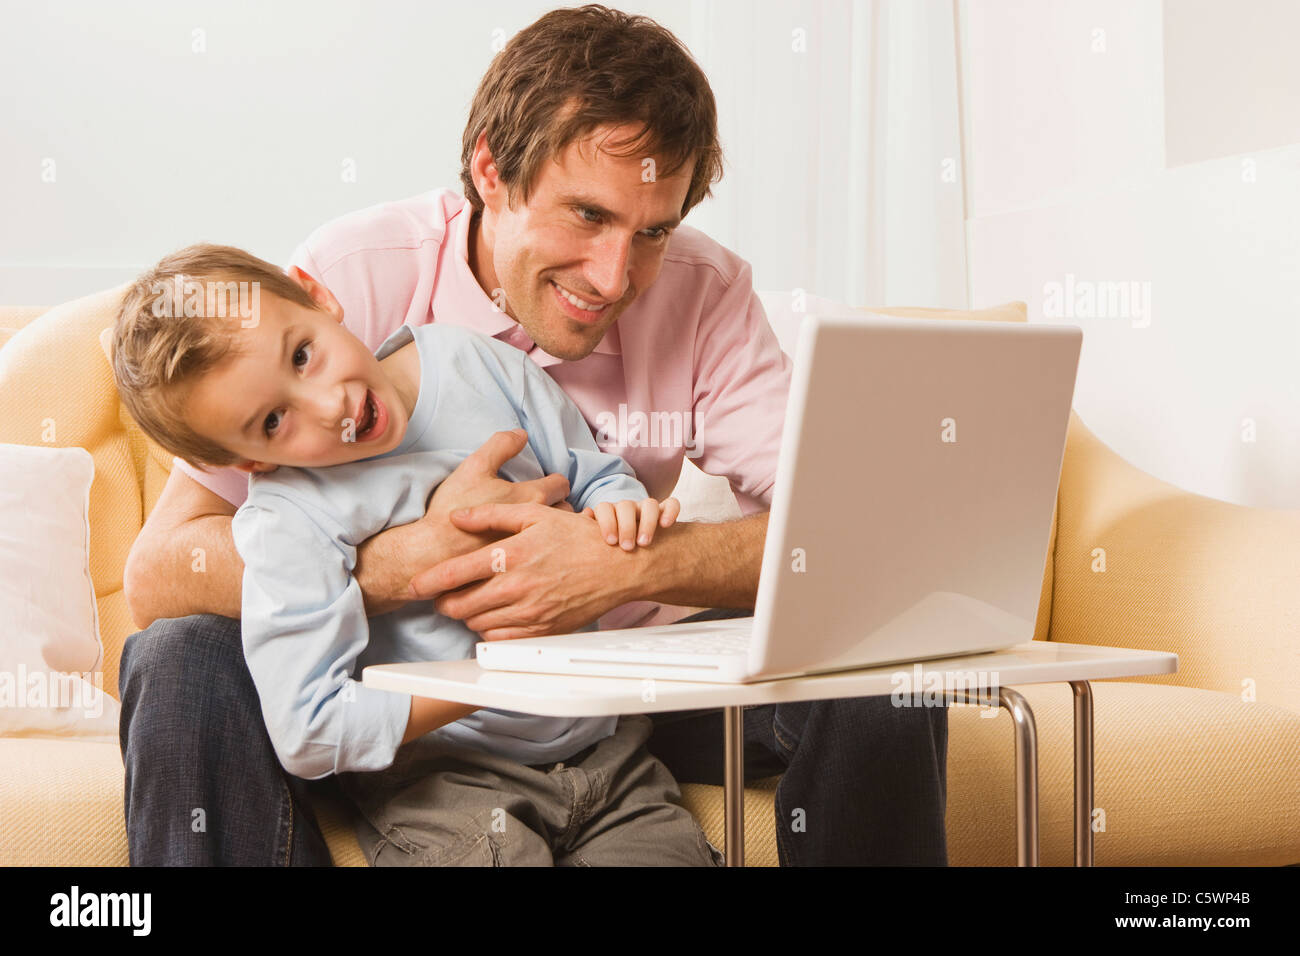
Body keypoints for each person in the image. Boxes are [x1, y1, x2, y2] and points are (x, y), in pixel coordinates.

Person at [118, 4, 947, 866]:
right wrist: (406, 566)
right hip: (400, 709)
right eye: (586, 216)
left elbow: (855, 536)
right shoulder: (349, 288)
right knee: (179, 656)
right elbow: (159, 572)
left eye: (653, 230)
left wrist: (625, 567)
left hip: (620, 687)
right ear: (490, 169)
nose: (616, 276)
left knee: (879, 662)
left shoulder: (704, 294)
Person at [111, 242, 714, 866]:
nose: (330, 407)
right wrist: (496, 682)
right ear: (248, 462)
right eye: (271, 421)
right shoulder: (289, 520)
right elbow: (309, 729)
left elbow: (594, 475)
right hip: (445, 782)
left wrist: (622, 506)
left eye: (302, 355)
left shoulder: (469, 360)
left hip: (609, 753)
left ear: (317, 296)